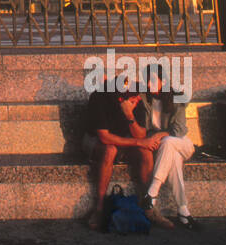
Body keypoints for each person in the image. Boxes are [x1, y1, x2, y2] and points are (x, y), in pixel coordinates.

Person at [82, 82, 173, 230]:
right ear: (120, 99)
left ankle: (148, 206)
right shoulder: (100, 97)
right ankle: (98, 208)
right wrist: (139, 142)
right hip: (95, 141)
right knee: (110, 150)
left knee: (145, 152)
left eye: (137, 98)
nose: (137, 101)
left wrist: (129, 115)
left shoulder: (137, 99)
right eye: (133, 99)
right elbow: (105, 137)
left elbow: (141, 135)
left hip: (123, 139)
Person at [142, 64, 201, 230]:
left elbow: (179, 130)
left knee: (169, 143)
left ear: (164, 81)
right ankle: (183, 210)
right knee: (173, 158)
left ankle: (152, 192)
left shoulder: (177, 97)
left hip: (182, 143)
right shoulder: (145, 99)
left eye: (153, 80)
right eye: (147, 80)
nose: (148, 85)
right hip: (165, 149)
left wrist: (160, 135)